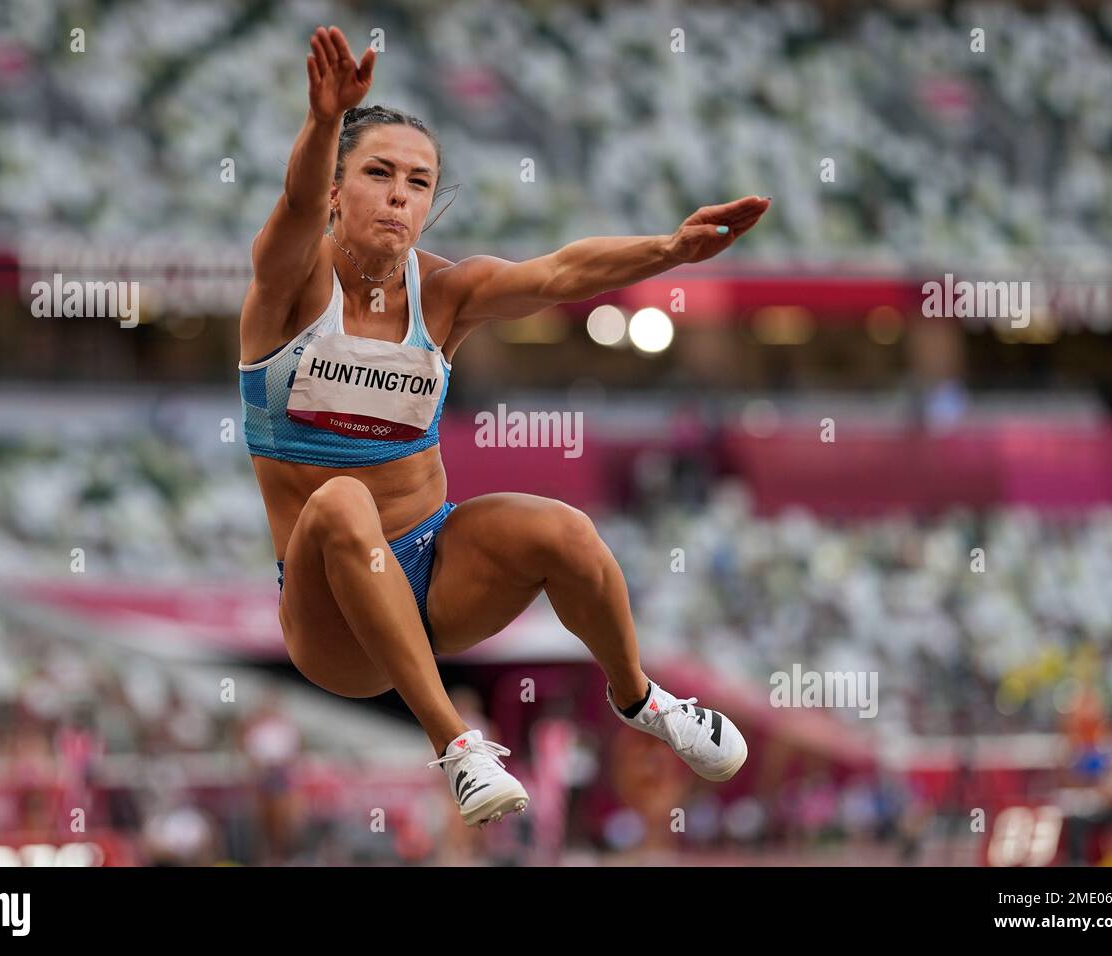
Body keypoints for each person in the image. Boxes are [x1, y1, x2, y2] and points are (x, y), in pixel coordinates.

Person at [238, 26, 768, 826]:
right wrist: (321, 123)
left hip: (436, 574)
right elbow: (294, 206)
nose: (398, 196)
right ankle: (457, 746)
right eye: (377, 174)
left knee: (566, 533)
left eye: (418, 182)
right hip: (334, 616)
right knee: (344, 500)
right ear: (338, 190)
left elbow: (557, 274)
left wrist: (669, 250)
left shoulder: (444, 296)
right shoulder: (288, 284)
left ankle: (642, 699)